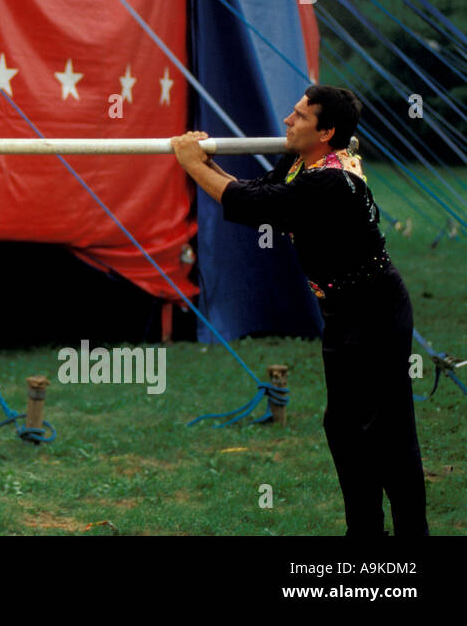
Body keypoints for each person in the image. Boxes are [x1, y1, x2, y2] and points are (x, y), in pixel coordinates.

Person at [171, 84, 428, 536]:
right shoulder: (300, 164)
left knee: (386, 431)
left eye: (300, 116)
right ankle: (366, 531)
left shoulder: (331, 181)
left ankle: (411, 533)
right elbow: (253, 190)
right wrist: (205, 160)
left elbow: (251, 206)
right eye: (292, 113)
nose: (288, 121)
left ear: (326, 132)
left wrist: (193, 165)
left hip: (375, 310)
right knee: (345, 427)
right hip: (343, 310)